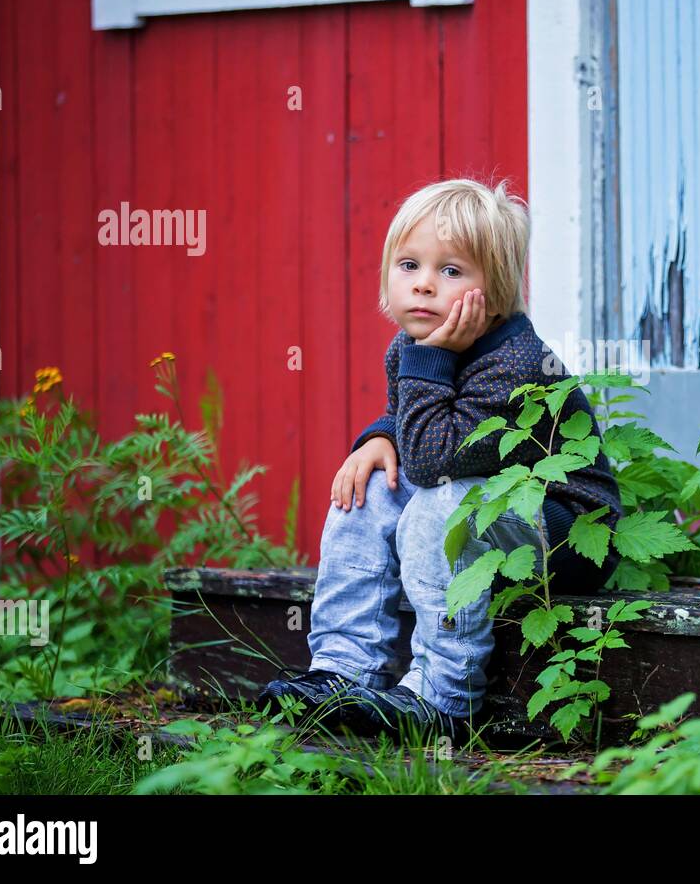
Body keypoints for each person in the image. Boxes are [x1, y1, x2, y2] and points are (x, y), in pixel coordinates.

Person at [255, 178, 623, 744]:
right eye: (409, 265)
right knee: (369, 489)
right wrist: (378, 437)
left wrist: (428, 365)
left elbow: (433, 462)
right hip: (485, 503)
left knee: (442, 504)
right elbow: (413, 422)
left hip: (565, 528)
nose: (424, 285)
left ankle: (445, 696)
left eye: (452, 271)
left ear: (495, 293)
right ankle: (343, 669)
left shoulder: (515, 360)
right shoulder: (416, 345)